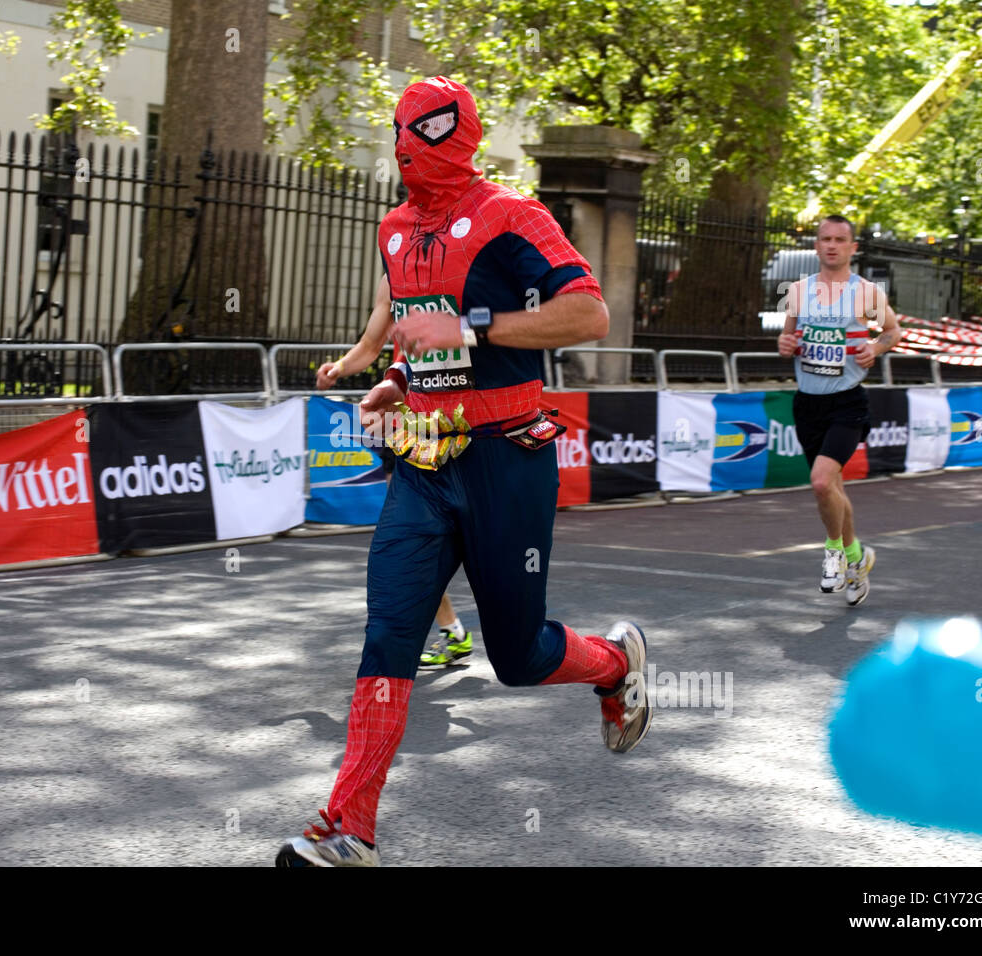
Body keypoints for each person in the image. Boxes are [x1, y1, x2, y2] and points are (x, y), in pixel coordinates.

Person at [277, 76, 651, 868]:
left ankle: (615, 664)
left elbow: (589, 314)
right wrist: (398, 379)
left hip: (507, 461)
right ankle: (349, 828)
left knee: (518, 658)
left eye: (418, 133)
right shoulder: (393, 229)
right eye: (399, 132)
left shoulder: (513, 216)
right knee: (389, 636)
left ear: (453, 135)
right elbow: (418, 331)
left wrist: (475, 324)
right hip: (423, 459)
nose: (404, 148)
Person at [316, 275, 473, 668]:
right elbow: (372, 344)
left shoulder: (466, 257)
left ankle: (460, 631)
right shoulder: (393, 272)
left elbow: (489, 333)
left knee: (451, 543)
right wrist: (339, 367)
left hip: (467, 422)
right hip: (408, 423)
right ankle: (450, 632)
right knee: (414, 543)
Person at [777, 214, 902, 606]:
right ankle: (857, 558)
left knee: (820, 482)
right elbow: (788, 334)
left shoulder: (866, 293)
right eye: (825, 239)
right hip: (807, 401)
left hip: (847, 400)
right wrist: (786, 344)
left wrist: (875, 348)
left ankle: (834, 554)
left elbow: (893, 331)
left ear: (853, 248)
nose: (831, 245)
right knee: (832, 488)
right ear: (817, 245)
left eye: (839, 239)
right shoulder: (798, 291)